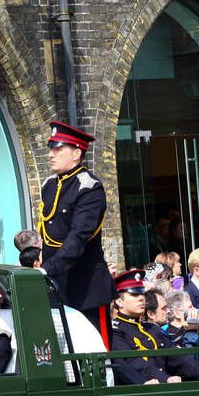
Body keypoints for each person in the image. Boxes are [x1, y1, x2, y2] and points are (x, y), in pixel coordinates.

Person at [36, 121, 115, 340]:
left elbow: (78, 236)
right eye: (51, 149)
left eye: (58, 149)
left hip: (85, 287)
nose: (51, 154)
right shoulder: (49, 185)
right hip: (56, 283)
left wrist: (47, 269)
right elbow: (47, 234)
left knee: (96, 354)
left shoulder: (89, 186)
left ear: (76, 153)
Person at [109, 269, 198, 385]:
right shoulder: (115, 330)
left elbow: (177, 358)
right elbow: (134, 363)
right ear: (120, 301)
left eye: (141, 293)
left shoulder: (152, 328)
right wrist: (164, 379)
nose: (141, 298)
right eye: (134, 294)